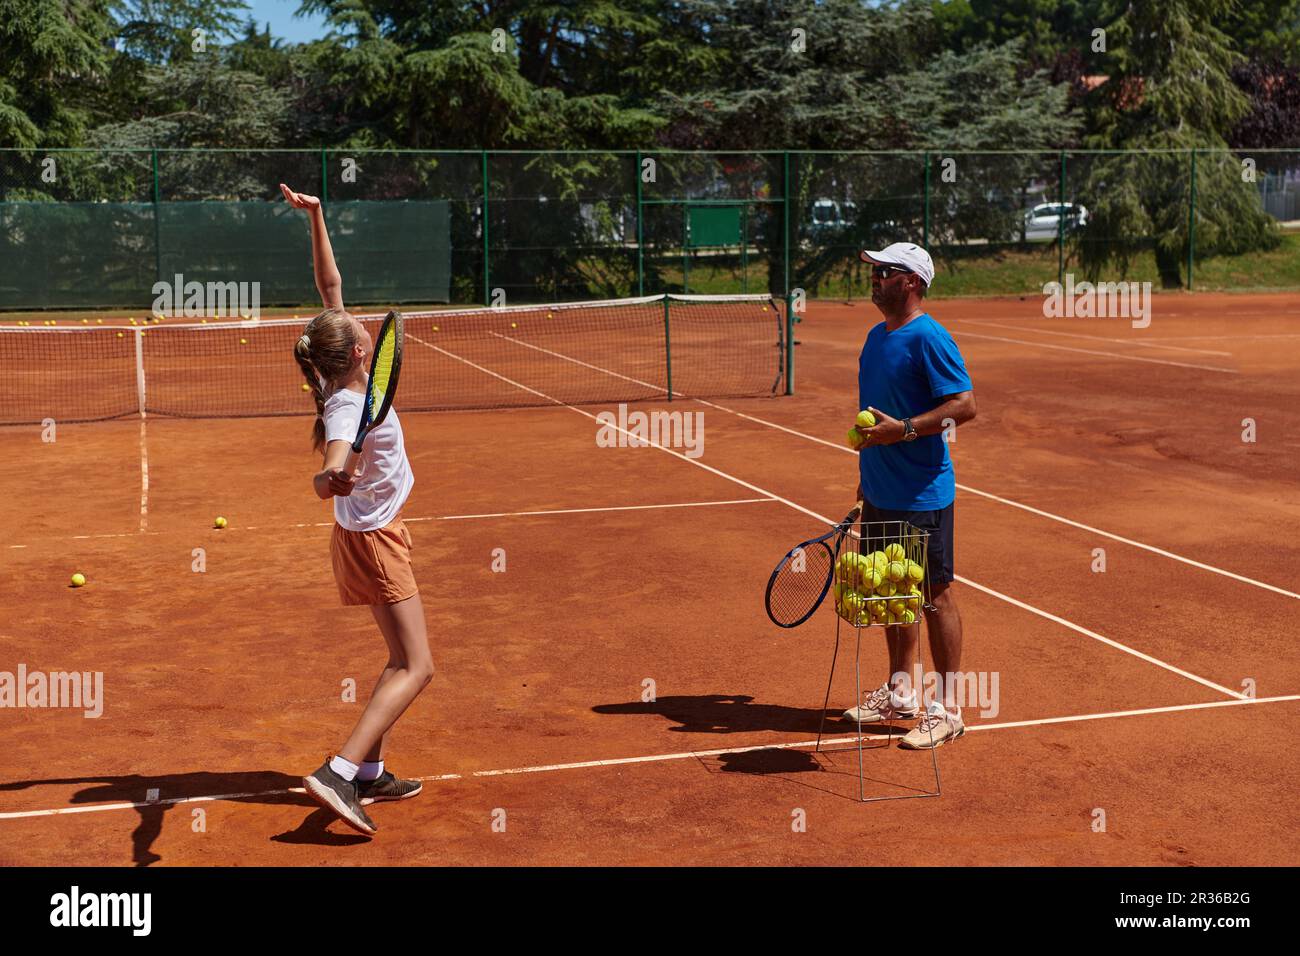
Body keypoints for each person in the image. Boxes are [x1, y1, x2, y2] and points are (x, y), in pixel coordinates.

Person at [282, 182, 431, 834]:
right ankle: (339, 773)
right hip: (375, 538)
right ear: (361, 351)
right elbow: (333, 463)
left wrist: (317, 218)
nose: (361, 319)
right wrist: (330, 476)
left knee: (396, 657)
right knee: (417, 666)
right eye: (359, 327)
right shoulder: (346, 404)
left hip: (360, 535)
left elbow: (329, 287)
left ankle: (371, 773)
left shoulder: (338, 369)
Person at [844, 242, 977, 750]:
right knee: (889, 590)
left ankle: (948, 709)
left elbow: (963, 406)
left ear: (913, 282)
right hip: (881, 487)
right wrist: (867, 470)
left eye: (885, 271)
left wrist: (902, 431)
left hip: (922, 494)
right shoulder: (875, 338)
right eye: (873, 271)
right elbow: (872, 418)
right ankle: (901, 691)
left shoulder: (930, 337)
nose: (874, 278)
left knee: (933, 595)